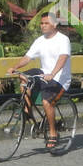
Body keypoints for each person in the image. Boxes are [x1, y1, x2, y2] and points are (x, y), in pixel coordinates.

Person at [8, 13, 72, 148]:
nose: (43, 26)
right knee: (24, 77)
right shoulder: (40, 40)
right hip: (44, 75)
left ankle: (53, 133)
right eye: (41, 23)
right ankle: (26, 109)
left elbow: (63, 58)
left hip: (60, 79)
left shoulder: (63, 40)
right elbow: (28, 57)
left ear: (54, 25)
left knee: (46, 102)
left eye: (46, 23)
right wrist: (15, 67)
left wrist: (53, 73)